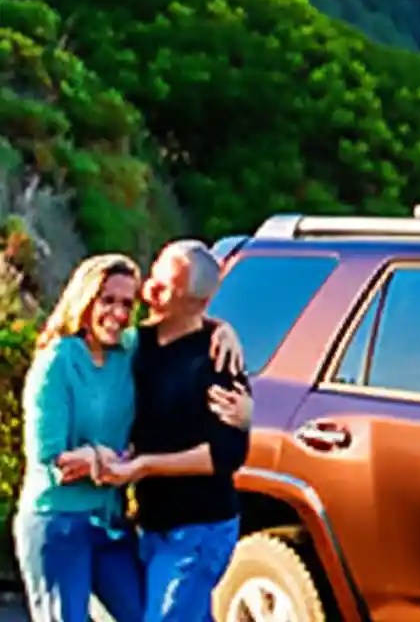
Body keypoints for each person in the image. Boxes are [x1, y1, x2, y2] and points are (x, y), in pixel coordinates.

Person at [13, 252, 248, 622]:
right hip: (58, 521)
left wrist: (221, 328)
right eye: (108, 300)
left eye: (127, 303)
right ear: (85, 299)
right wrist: (95, 459)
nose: (120, 313)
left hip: (111, 522)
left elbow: (187, 324)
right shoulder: (56, 362)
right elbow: (47, 456)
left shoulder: (129, 349)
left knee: (148, 615)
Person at [97, 240, 253, 622]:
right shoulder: (139, 344)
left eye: (164, 287)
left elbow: (225, 454)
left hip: (201, 528)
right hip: (152, 524)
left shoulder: (216, 361)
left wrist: (146, 466)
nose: (149, 290)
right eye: (153, 277)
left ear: (195, 301)